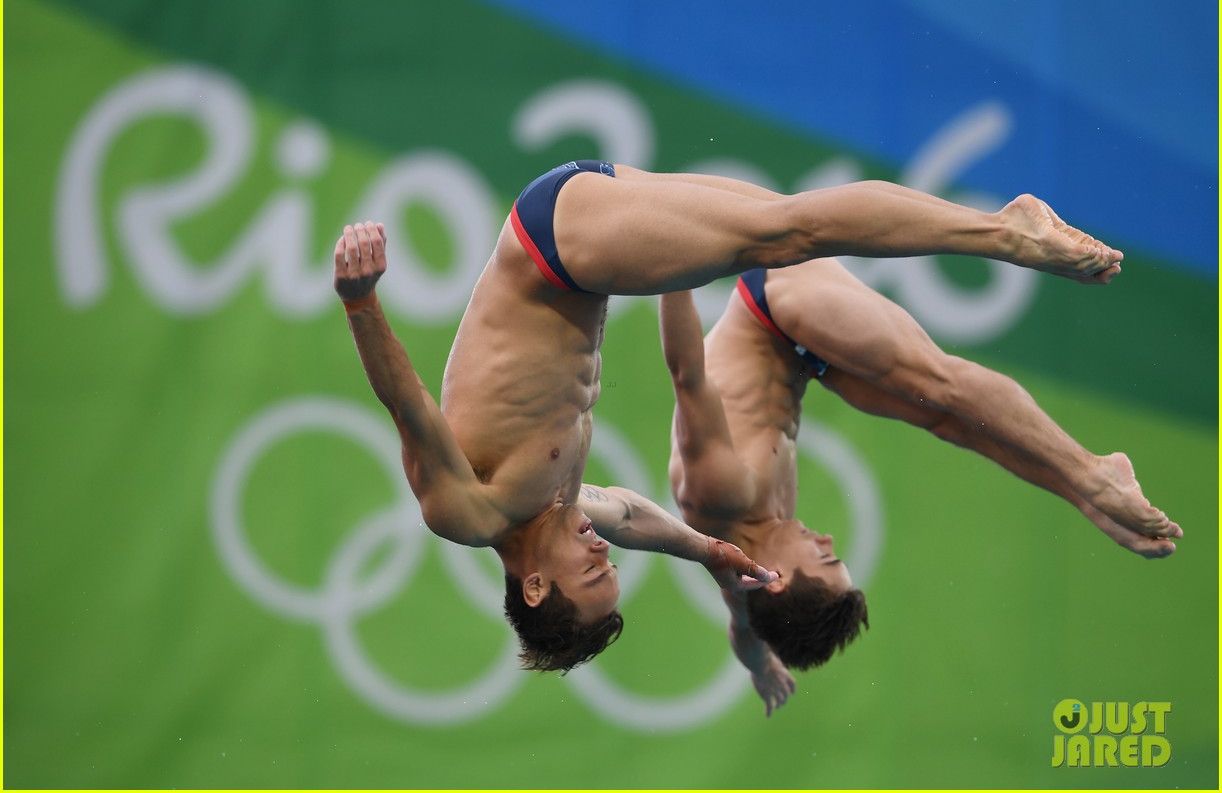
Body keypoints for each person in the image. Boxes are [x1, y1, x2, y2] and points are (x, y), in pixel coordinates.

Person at [335, 160, 1129, 673]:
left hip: (556, 247)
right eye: (607, 566)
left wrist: (361, 300)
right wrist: (708, 552)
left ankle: (1004, 231)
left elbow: (406, 405)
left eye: (593, 573)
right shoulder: (558, 509)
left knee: (789, 233)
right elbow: (633, 516)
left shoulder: (467, 514)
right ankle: (1088, 473)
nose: (602, 555)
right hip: (583, 246)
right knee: (792, 229)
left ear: (536, 584)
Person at [659, 259, 1180, 716]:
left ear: (775, 580)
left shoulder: (718, 495)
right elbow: (747, 637)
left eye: (824, 560)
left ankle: (1091, 470)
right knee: (947, 423)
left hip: (773, 301)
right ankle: (1087, 500)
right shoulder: (749, 581)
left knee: (942, 383)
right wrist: (761, 670)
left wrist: (670, 265)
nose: (828, 542)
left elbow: (687, 375)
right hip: (804, 358)